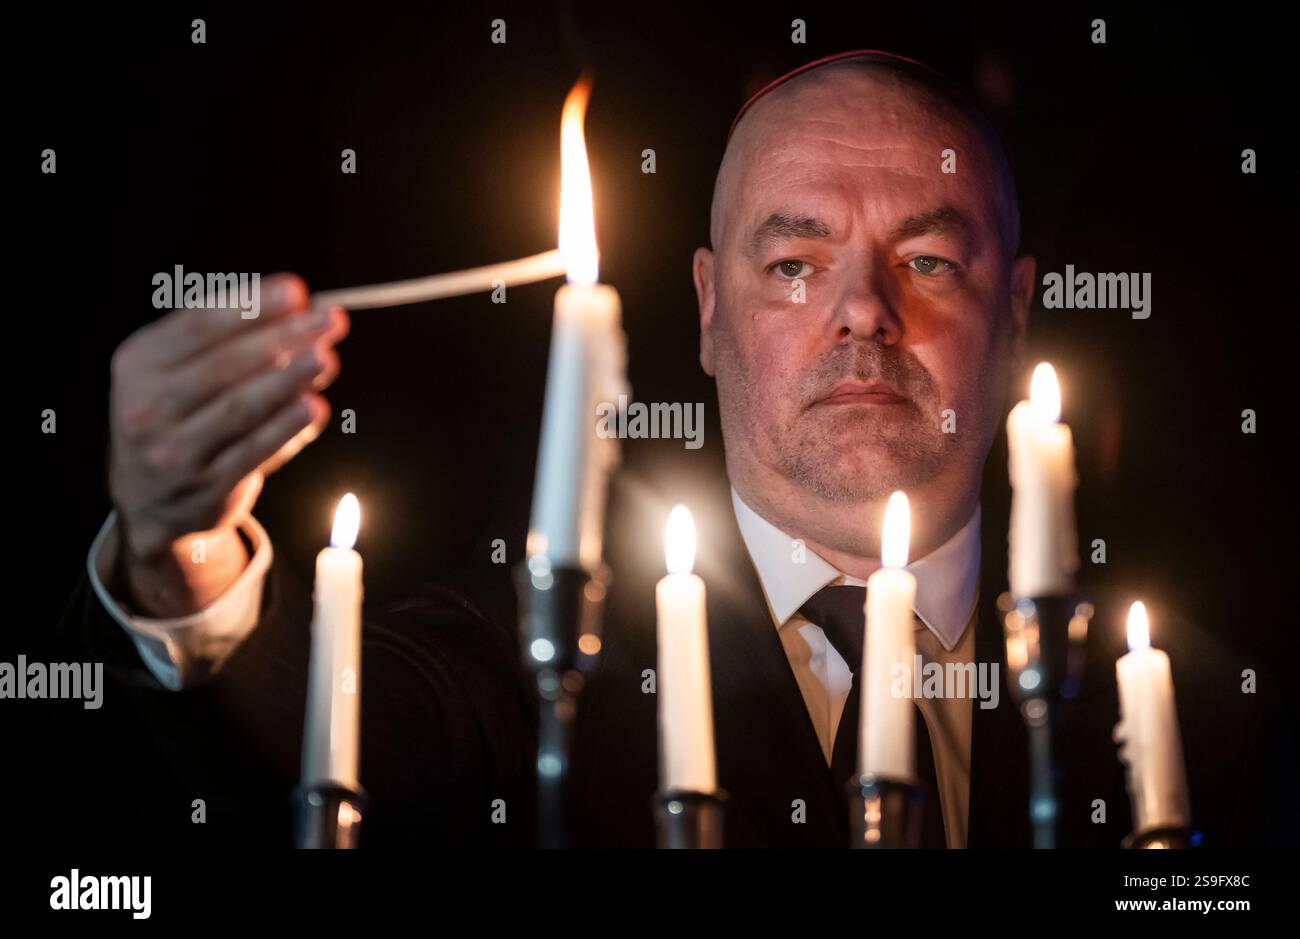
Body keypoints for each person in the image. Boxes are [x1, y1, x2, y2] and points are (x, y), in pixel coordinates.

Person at [65, 51, 1293, 848]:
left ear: (1016, 309)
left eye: (926, 261)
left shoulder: (1211, 719)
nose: (863, 311)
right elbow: (328, 740)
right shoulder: (533, 661)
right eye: (794, 264)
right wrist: (183, 555)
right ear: (707, 313)